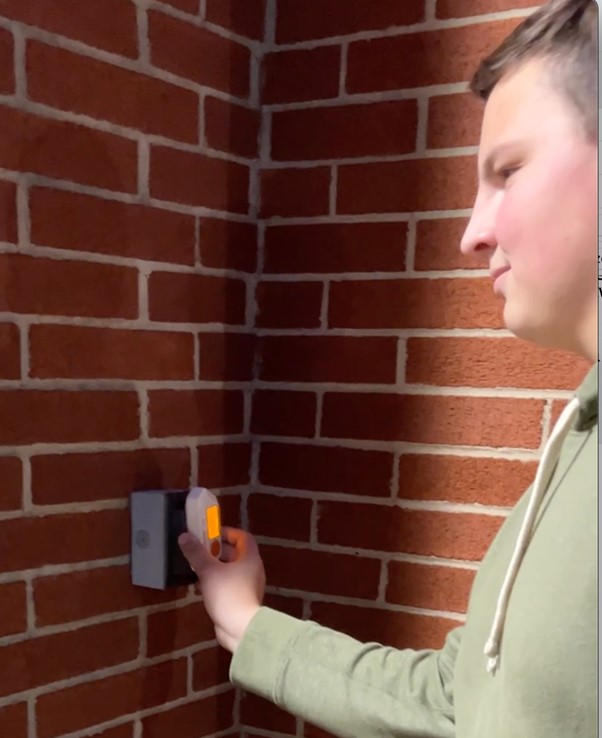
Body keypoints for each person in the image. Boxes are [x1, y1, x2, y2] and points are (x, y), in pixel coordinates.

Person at [178, 1, 598, 736]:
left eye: (508, 171)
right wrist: (245, 620)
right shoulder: (582, 435)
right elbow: (459, 700)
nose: (473, 233)